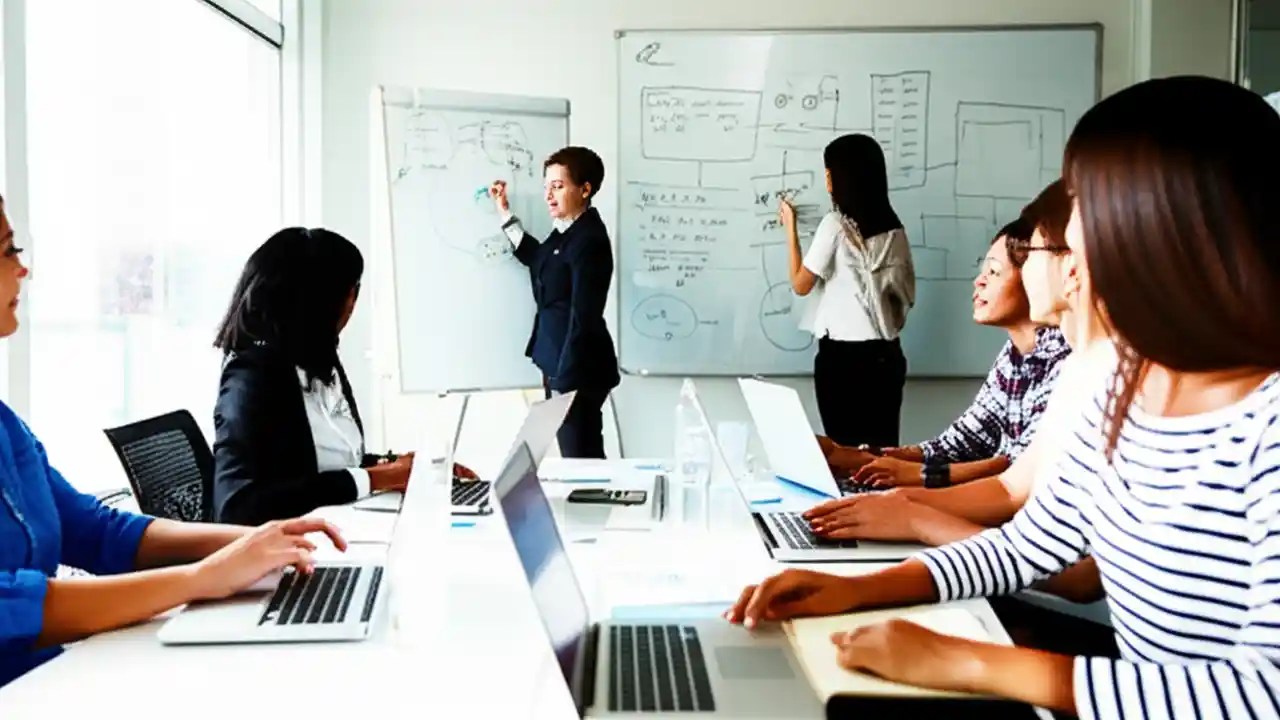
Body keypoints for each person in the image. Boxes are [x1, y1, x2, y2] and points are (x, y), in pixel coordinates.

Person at [726, 76, 1280, 717]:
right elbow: (1031, 544)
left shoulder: (1266, 423)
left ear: (1165, 226)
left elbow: (1266, 692)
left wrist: (969, 662)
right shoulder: (1118, 385)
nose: (1065, 238)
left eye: (1083, 203)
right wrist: (857, 589)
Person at [0, 194, 347, 688]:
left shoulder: (5, 424)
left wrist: (261, 542)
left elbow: (97, 533)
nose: (23, 269)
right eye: (8, 251)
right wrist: (200, 579)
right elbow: (8, 607)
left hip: (48, 682)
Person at [807, 179, 1107, 604]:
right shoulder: (1083, 369)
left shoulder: (1110, 379)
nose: (979, 281)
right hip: (1024, 580)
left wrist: (914, 515)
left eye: (1033, 253)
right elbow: (1009, 489)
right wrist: (865, 574)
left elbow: (1076, 575)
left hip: (1067, 617)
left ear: (1072, 268)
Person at [211, 228, 472, 525]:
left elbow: (323, 463)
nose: (353, 303)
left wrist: (397, 467)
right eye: (353, 289)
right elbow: (238, 507)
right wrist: (377, 478)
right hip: (295, 546)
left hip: (336, 528)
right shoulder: (251, 378)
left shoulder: (317, 358)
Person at [823, 218, 1072, 488]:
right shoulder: (1013, 355)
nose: (979, 282)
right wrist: (856, 456)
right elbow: (964, 442)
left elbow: (1021, 473)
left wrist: (919, 476)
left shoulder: (1065, 359)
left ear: (1034, 278)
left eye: (993, 272)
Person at [780, 133, 914, 449]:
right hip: (886, 356)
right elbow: (904, 296)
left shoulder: (835, 225)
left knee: (845, 455)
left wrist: (790, 228)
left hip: (843, 361)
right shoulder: (895, 230)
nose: (826, 181)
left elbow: (800, 284)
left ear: (839, 178)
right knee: (881, 456)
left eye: (828, 173)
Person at [489, 146, 620, 459]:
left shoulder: (588, 239)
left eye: (558, 187)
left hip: (577, 368)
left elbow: (584, 317)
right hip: (559, 362)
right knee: (575, 453)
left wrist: (564, 379)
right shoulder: (566, 232)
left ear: (585, 189)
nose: (548, 196)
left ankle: (595, 492)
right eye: (546, 187)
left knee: (581, 457)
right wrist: (505, 213)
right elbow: (538, 258)